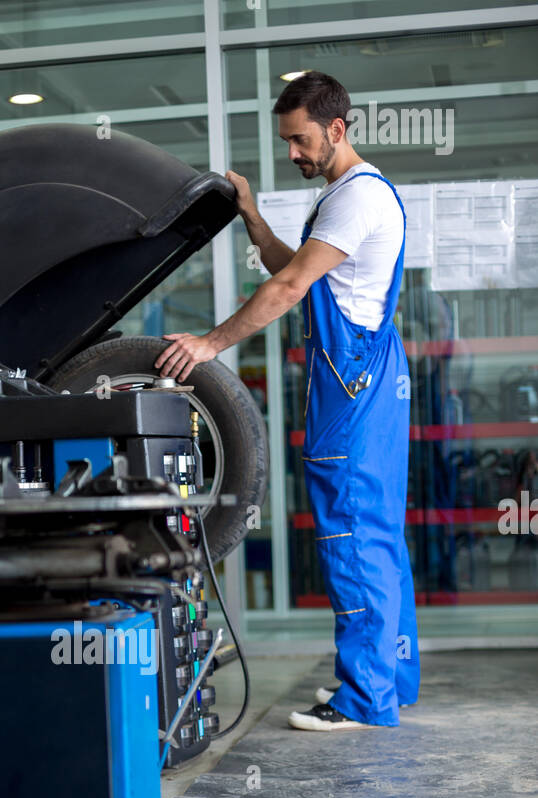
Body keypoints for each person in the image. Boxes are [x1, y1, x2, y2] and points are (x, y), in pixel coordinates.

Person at [155, 70, 420, 731]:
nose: (294, 154)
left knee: (352, 534)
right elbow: (292, 266)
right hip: (371, 380)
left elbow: (291, 288)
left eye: (300, 141)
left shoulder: (355, 198)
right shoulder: (349, 195)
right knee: (378, 534)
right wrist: (249, 214)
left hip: (354, 387)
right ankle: (392, 681)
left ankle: (362, 700)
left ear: (337, 128)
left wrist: (211, 344)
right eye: (287, 143)